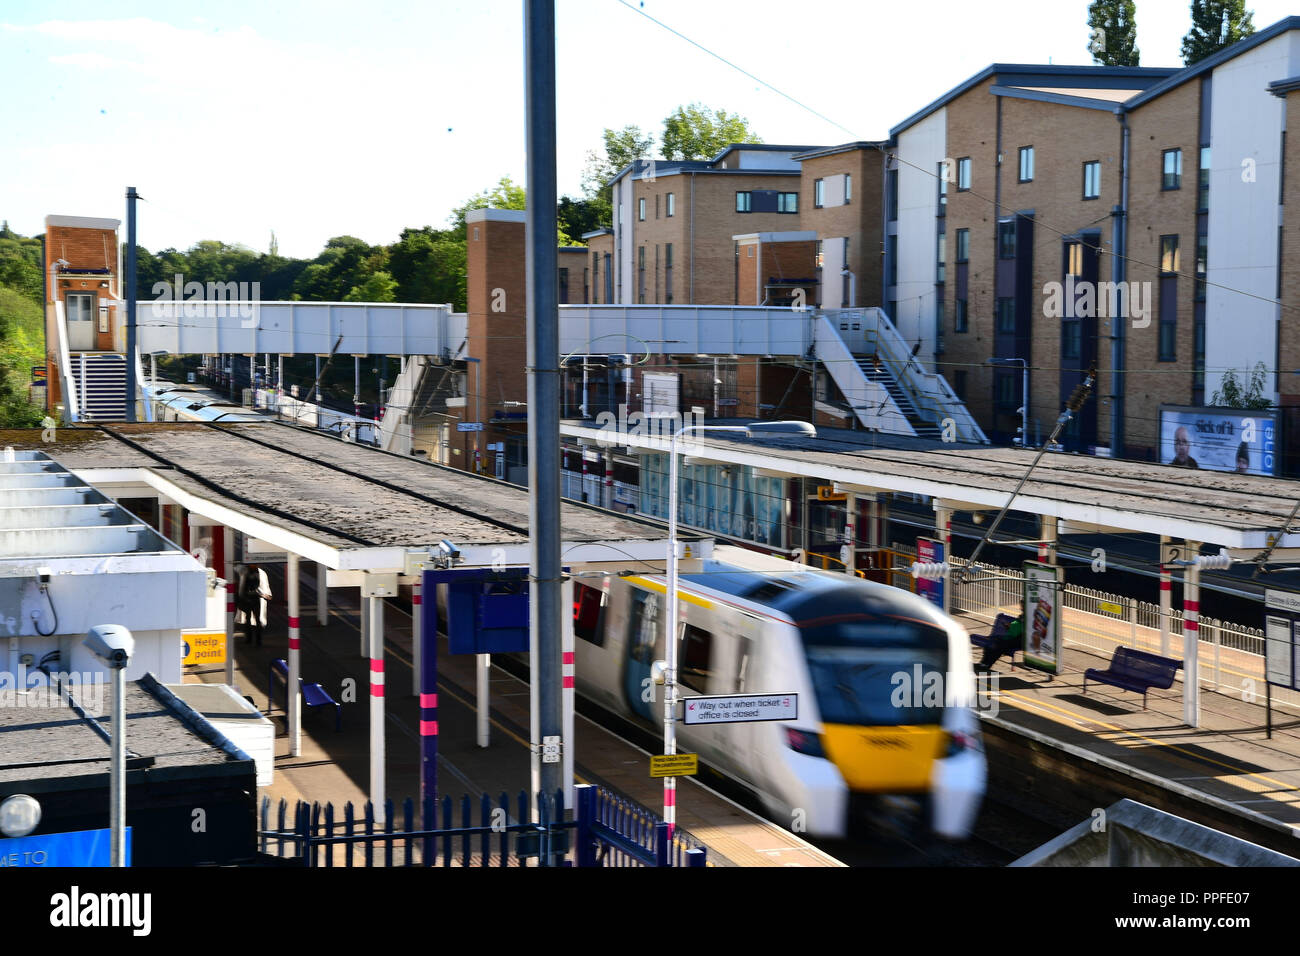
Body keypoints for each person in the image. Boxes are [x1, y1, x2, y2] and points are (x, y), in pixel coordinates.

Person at [236, 563, 271, 646]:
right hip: (250, 599)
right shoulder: (247, 571)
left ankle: (255, 640)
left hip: (253, 599)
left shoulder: (255, 572)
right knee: (249, 619)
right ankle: (251, 639)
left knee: (255, 620)